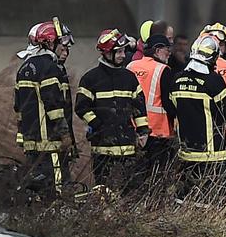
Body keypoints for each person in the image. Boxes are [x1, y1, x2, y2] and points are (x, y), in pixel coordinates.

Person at [75, 30, 148, 191]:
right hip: (102, 149)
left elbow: (139, 107)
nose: (123, 55)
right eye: (119, 52)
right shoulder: (90, 79)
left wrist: (143, 131)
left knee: (128, 191)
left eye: (124, 51)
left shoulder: (129, 77)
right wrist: (99, 126)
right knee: (104, 191)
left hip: (128, 147)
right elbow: (81, 107)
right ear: (107, 53)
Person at [163, 35, 226, 196]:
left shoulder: (177, 80)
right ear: (213, 58)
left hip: (187, 152)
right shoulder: (214, 81)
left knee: (185, 198)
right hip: (214, 153)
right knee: (213, 200)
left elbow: (171, 108)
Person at [13, 19, 76, 193]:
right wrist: (65, 135)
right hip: (51, 145)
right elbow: (54, 107)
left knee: (36, 190)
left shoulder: (24, 68)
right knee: (57, 190)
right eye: (61, 43)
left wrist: (23, 137)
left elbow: (18, 108)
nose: (65, 49)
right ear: (49, 42)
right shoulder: (50, 68)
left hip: (32, 145)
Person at [128, 34, 179, 177]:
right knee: (157, 176)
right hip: (158, 131)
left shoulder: (131, 66)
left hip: (133, 129)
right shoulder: (163, 70)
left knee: (136, 175)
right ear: (157, 50)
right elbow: (168, 103)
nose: (169, 53)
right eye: (166, 49)